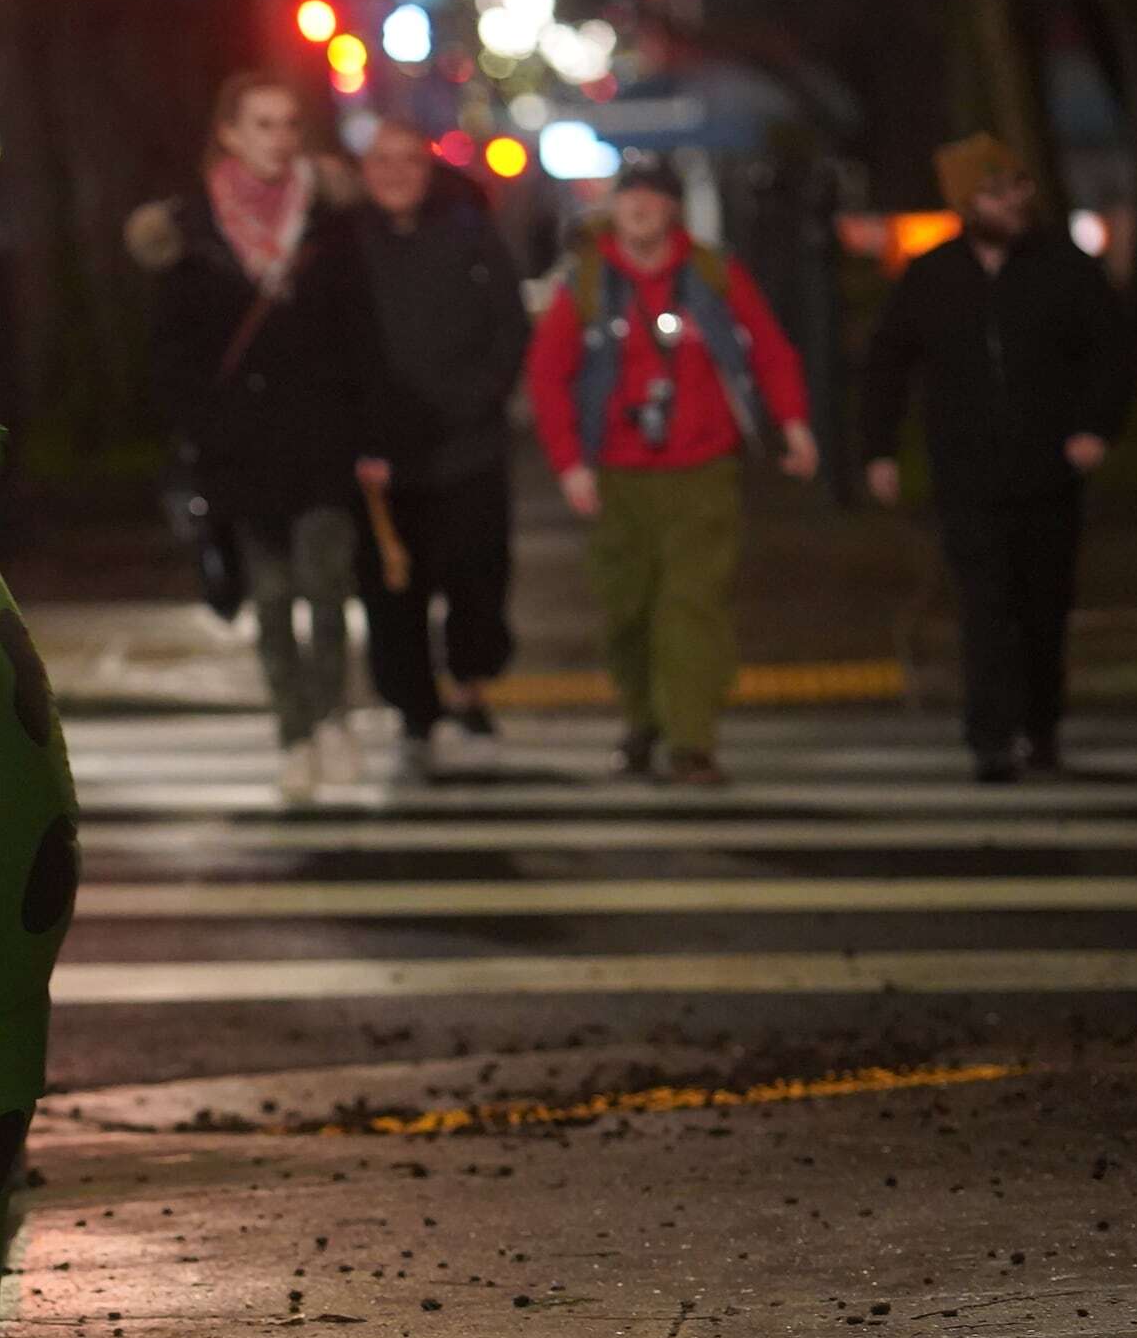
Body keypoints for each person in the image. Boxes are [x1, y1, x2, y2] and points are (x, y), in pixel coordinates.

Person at [130, 74, 388, 801]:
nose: (279, 139)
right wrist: (205, 430)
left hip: (322, 439)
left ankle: (333, 719)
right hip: (239, 451)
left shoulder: (328, 223)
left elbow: (361, 333)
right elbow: (173, 352)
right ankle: (294, 734)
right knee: (271, 598)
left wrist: (368, 433)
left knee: (326, 586)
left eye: (289, 124)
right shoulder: (193, 231)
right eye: (263, 124)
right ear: (230, 135)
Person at [526, 156, 819, 786]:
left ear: (674, 209)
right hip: (617, 474)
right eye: (630, 196)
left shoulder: (712, 274)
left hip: (702, 470)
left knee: (692, 605)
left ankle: (691, 741)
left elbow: (769, 349)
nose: (640, 208)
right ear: (614, 207)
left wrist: (793, 423)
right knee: (628, 611)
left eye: (655, 198)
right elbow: (548, 377)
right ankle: (643, 720)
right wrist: (571, 465)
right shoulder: (587, 283)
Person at [860, 134, 1133, 782]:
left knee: (1044, 607)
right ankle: (990, 737)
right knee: (983, 607)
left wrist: (1095, 427)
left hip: (1048, 470)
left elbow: (1112, 353)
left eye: (1017, 188)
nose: (1013, 202)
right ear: (966, 203)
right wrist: (879, 449)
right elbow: (888, 363)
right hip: (966, 473)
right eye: (994, 192)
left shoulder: (1065, 268)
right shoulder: (932, 276)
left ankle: (1041, 726)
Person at [350, 117, 531, 776]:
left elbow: (508, 325)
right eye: (382, 161)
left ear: (428, 169)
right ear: (365, 171)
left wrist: (477, 399)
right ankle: (413, 711)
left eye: (408, 160)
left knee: (476, 575)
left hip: (466, 445)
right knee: (393, 591)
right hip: (379, 456)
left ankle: (471, 690)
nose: (395, 174)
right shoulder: (344, 242)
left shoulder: (470, 232)